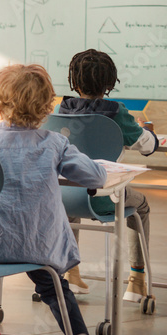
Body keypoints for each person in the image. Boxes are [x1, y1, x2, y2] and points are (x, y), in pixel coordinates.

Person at [0, 64, 106, 335]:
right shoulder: (54, 143)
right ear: (47, 107)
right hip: (39, 247)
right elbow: (96, 178)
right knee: (52, 286)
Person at [58, 49, 157, 299]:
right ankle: (136, 280)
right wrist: (150, 135)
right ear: (109, 83)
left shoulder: (62, 109)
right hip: (105, 197)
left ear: (75, 81)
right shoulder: (116, 112)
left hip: (65, 194)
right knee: (141, 206)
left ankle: (71, 272)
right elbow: (147, 145)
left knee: (71, 209)